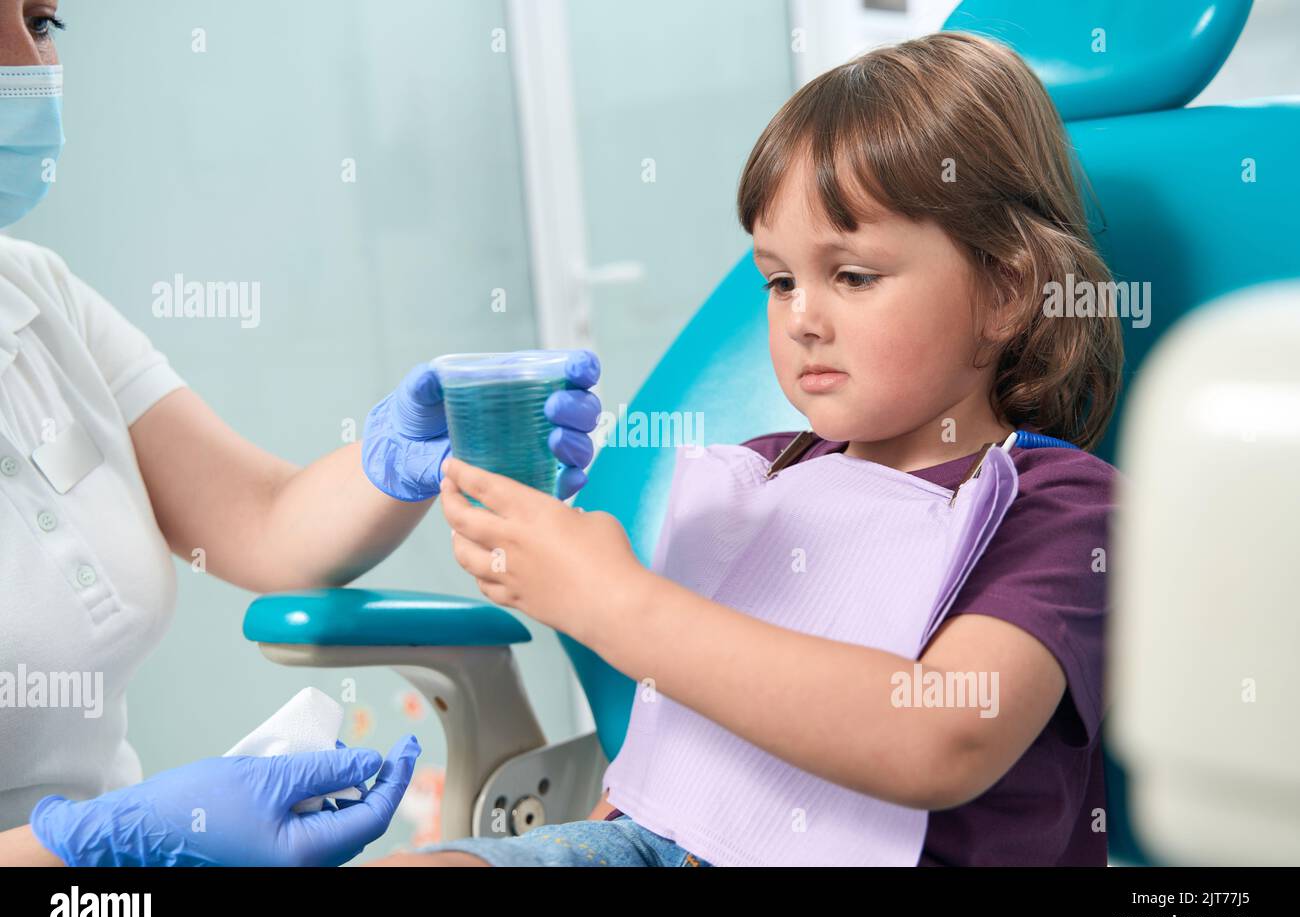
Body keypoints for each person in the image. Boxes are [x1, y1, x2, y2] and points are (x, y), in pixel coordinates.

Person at [370, 31, 1123, 866]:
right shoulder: (765, 471)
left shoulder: (1056, 507)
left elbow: (941, 738)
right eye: (780, 279)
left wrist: (614, 603)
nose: (801, 315)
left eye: (854, 275)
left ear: (1006, 291)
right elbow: (679, 729)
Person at [0, 0, 602, 866]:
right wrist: (92, 847)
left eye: (43, 22)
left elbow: (262, 520)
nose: (29, 64)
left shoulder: (39, 298)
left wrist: (399, 459)